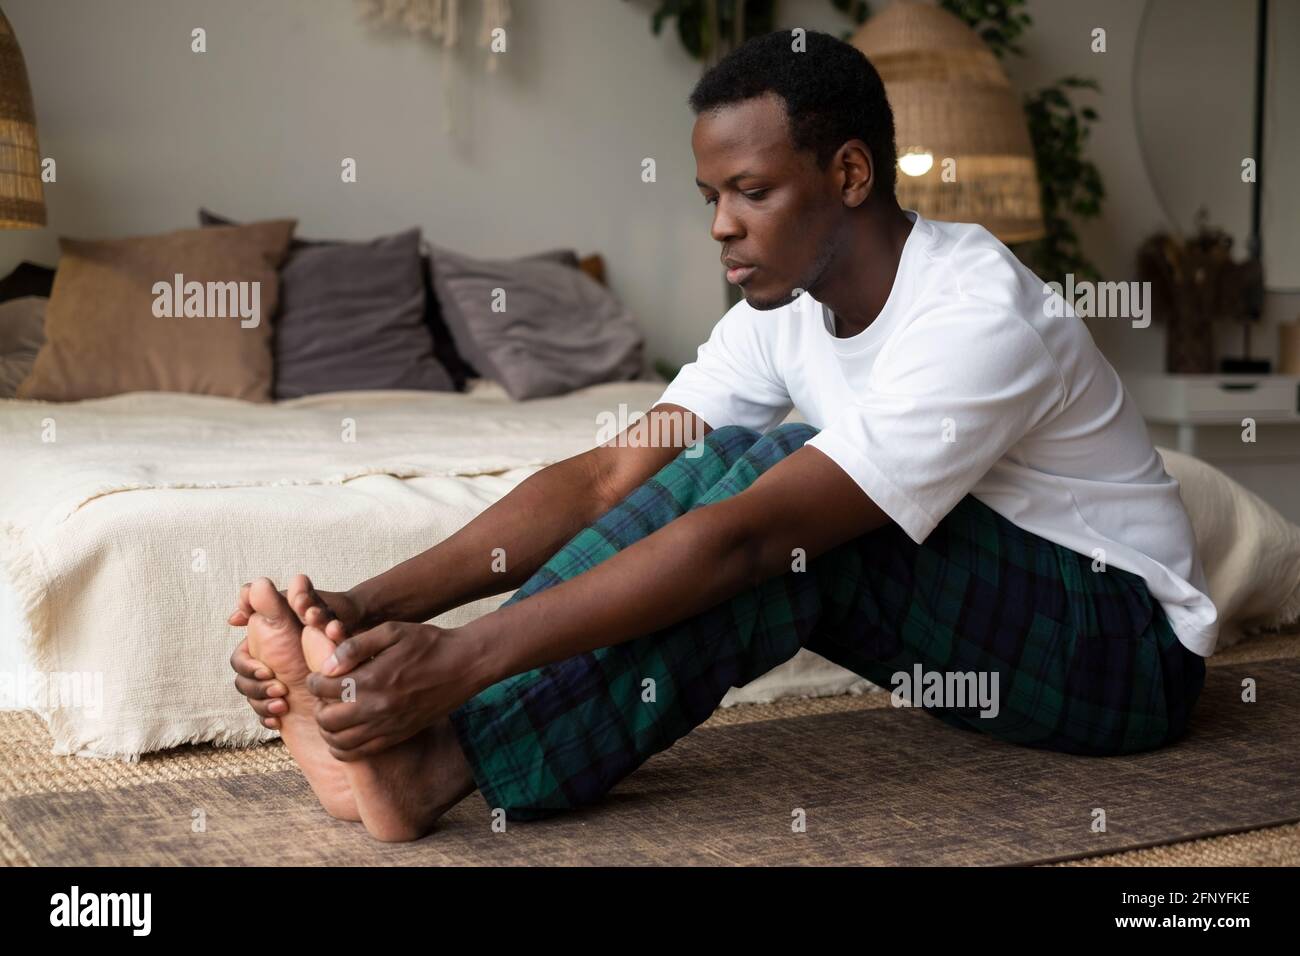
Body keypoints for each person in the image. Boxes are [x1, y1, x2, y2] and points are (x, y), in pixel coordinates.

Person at [229, 29, 1217, 843]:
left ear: (849, 172)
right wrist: (366, 604)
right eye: (711, 199)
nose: (720, 227)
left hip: (1122, 650)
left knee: (772, 508)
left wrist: (459, 660)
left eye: (750, 190)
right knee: (735, 480)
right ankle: (424, 754)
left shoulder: (977, 310)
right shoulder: (777, 312)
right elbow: (610, 474)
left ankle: (439, 756)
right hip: (988, 633)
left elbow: (742, 537)